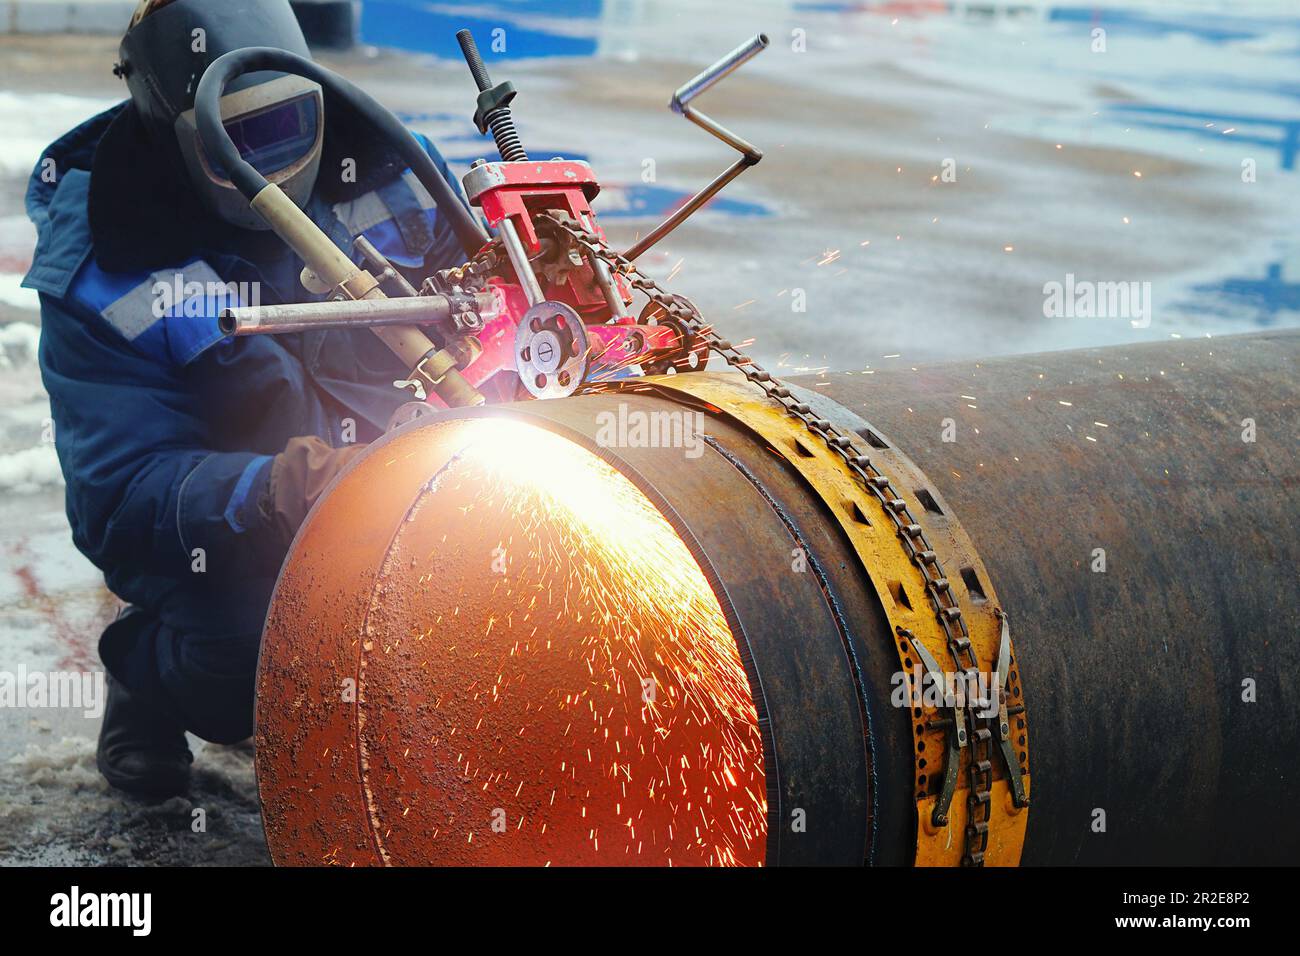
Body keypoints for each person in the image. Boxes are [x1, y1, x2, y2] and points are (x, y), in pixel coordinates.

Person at [22, 0, 471, 797]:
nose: (276, 170)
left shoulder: (395, 165)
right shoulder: (105, 262)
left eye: (291, 127)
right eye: (239, 146)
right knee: (265, 659)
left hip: (427, 477)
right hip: (252, 531)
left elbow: (496, 298)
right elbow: (116, 499)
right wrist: (290, 487)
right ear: (177, 138)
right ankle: (150, 671)